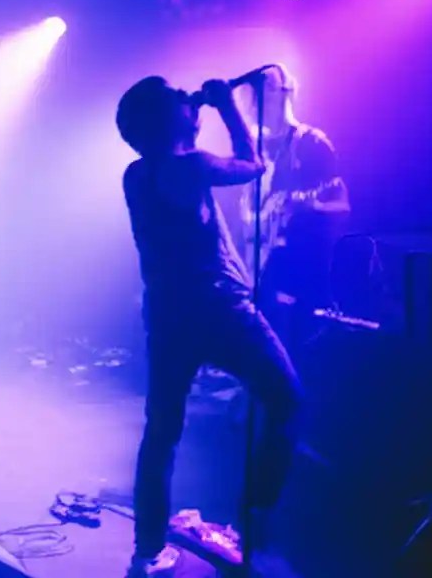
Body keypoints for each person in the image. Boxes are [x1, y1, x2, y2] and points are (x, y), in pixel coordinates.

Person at [116, 76, 304, 575]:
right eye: (179, 97)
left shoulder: (136, 175)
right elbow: (254, 164)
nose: (188, 98)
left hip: (167, 314)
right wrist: (224, 105)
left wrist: (193, 118)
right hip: (219, 308)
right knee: (287, 399)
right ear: (168, 118)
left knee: (162, 432)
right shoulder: (192, 166)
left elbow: (182, 160)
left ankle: (146, 553)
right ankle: (253, 527)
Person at [238, 65, 350, 345]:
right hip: (256, 264)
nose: (256, 99)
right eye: (254, 92)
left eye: (266, 90)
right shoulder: (251, 146)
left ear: (284, 92)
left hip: (295, 269)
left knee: (291, 344)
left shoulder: (311, 143)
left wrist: (306, 206)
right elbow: (244, 205)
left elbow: (340, 204)